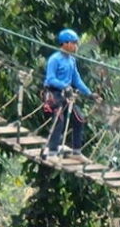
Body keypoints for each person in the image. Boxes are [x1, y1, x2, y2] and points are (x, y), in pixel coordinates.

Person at [43, 28, 101, 160]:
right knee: (59, 121)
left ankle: (76, 152)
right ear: (65, 43)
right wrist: (64, 86)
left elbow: (77, 79)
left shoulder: (72, 60)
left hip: (67, 94)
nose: (75, 46)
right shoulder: (55, 59)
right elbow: (50, 78)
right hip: (54, 93)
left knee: (79, 119)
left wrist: (89, 94)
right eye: (73, 43)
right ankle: (52, 152)